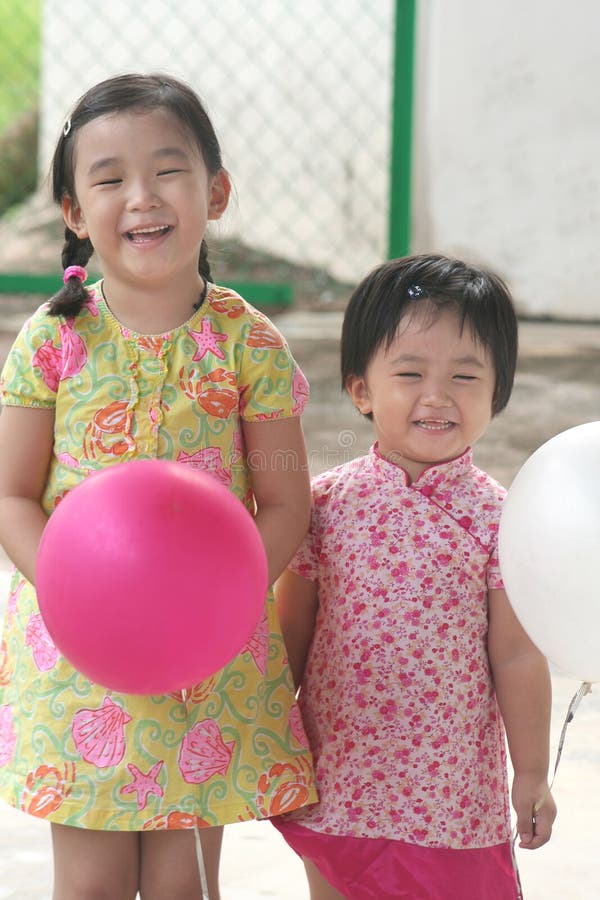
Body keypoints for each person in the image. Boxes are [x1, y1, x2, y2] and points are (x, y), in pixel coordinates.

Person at [0, 73, 317, 900]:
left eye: (167, 170)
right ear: (74, 212)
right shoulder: (51, 342)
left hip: (203, 661)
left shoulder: (248, 343)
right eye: (109, 179)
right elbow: (10, 496)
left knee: (186, 887)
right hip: (80, 660)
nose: (141, 196)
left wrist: (215, 608)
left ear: (215, 192)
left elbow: (286, 502)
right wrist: (77, 596)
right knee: (92, 885)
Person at [274, 254, 557, 900]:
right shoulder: (324, 506)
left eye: (465, 375)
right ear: (361, 390)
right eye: (409, 373)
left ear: (497, 393)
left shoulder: (502, 519)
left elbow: (516, 655)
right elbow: (290, 631)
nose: (437, 396)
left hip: (448, 793)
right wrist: (260, 731)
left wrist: (531, 772)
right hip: (339, 776)